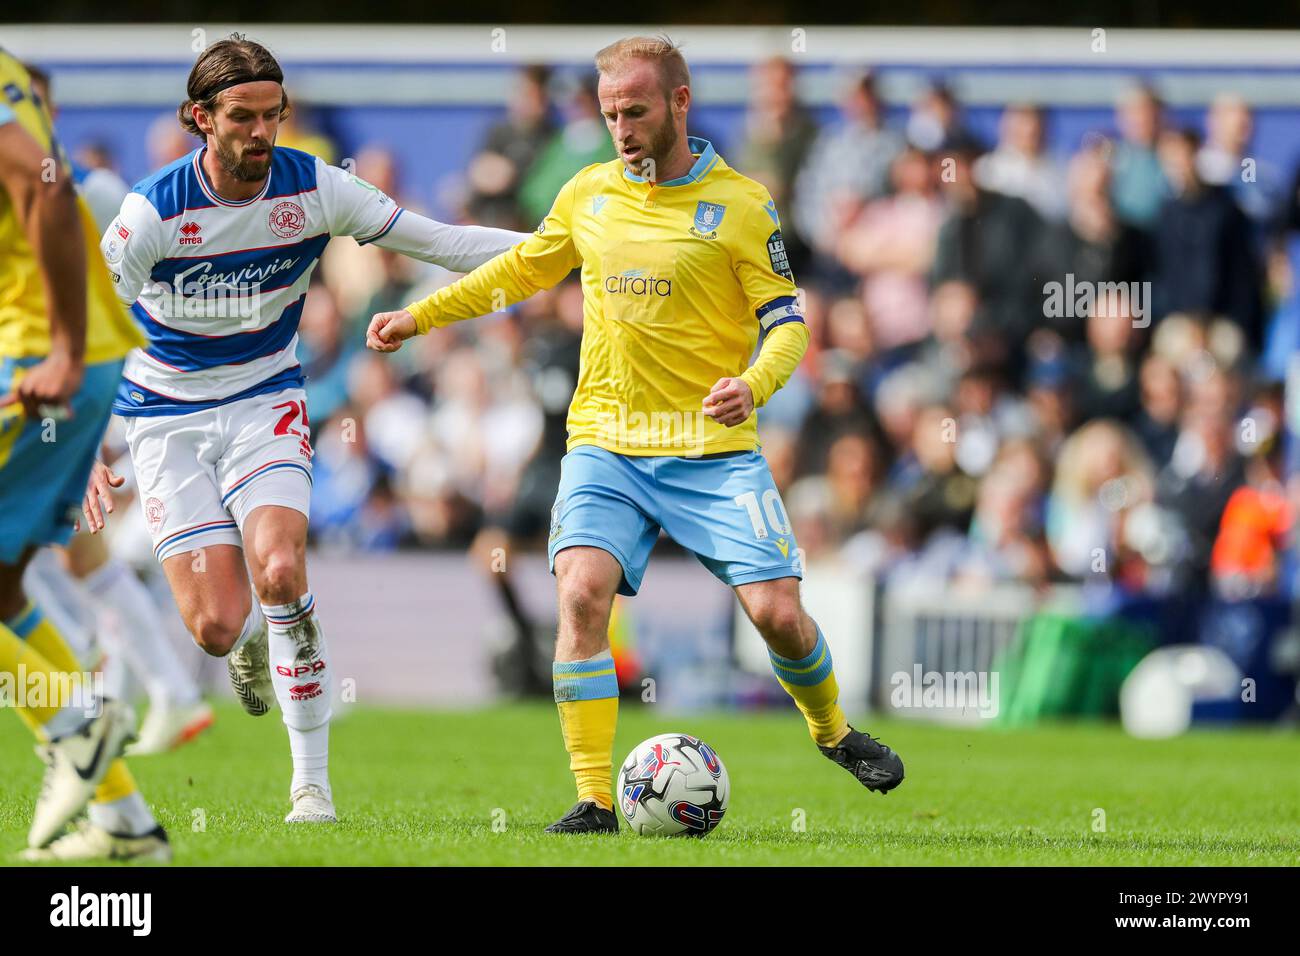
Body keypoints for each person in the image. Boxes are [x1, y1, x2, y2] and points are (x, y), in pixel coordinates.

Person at [367, 35, 905, 834]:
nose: (620, 126)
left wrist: (751, 383)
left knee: (777, 615)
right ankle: (592, 799)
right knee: (580, 592)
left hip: (712, 451)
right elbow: (516, 272)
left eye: (636, 110)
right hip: (607, 442)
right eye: (609, 111)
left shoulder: (743, 204)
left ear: (680, 103)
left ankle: (831, 731)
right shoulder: (588, 193)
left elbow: (790, 324)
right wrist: (419, 315)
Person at [82, 34, 527, 825]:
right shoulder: (152, 212)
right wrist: (82, 450)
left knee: (282, 568)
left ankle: (311, 788)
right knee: (216, 628)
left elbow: (445, 243)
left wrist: (571, 251)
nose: (262, 133)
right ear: (200, 120)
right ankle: (250, 636)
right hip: (164, 419)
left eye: (273, 115)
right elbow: (87, 330)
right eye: (243, 117)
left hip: (265, 401)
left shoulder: (317, 189)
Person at [0, 49, 170, 862]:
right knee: (4, 588)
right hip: (62, 354)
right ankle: (126, 826)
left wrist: (64, 349)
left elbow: (46, 184)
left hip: (38, 358)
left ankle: (78, 721)